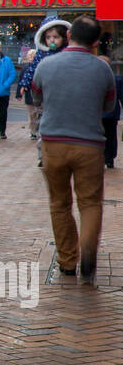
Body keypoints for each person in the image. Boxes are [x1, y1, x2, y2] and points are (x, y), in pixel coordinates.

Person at [32, 15, 117, 284]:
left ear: (69, 36)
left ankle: (67, 262)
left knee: (59, 203)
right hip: (89, 145)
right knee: (90, 203)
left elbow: (36, 97)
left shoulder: (47, 65)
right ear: (94, 42)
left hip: (53, 144)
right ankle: (88, 255)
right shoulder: (102, 70)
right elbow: (109, 107)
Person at [18, 17, 70, 166]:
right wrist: (24, 83)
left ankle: (61, 154)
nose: (51, 40)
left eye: (55, 37)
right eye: (48, 37)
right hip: (46, 95)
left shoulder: (66, 53)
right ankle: (42, 155)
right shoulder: (41, 54)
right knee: (43, 125)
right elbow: (32, 69)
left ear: (63, 38)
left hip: (62, 95)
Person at [99, 56, 123, 169]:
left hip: (98, 113)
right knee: (110, 136)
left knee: (100, 136)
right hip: (111, 113)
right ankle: (109, 158)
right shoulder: (116, 78)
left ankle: (103, 158)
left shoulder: (93, 78)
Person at [15, 48, 39, 137]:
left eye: (33, 56)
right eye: (30, 56)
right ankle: (33, 132)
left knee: (39, 114)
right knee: (32, 114)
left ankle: (39, 131)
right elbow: (21, 81)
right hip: (29, 94)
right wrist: (19, 94)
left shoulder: (40, 67)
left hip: (39, 95)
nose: (31, 58)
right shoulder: (25, 68)